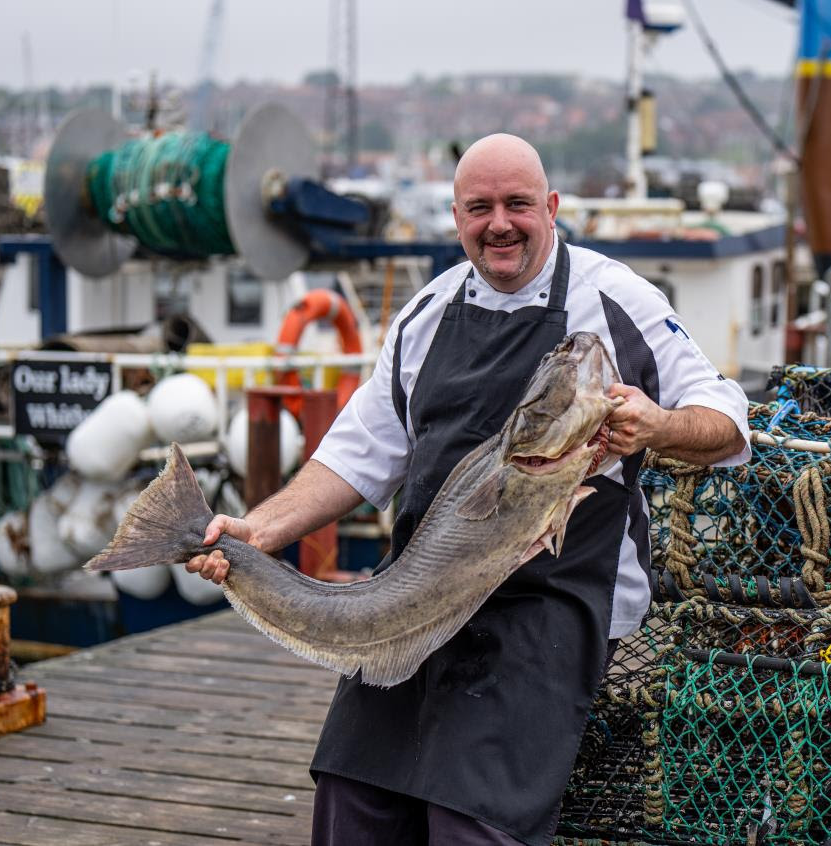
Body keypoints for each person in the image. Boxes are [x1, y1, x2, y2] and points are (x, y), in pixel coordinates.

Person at [185, 133, 750, 846]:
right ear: (456, 218)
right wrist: (259, 533)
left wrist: (659, 423)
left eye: (517, 204)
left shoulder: (614, 297)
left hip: (552, 602)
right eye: (478, 208)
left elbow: (727, 421)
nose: (499, 224)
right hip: (417, 591)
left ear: (550, 208)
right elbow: (361, 454)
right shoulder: (426, 313)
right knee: (350, 793)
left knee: (469, 820)